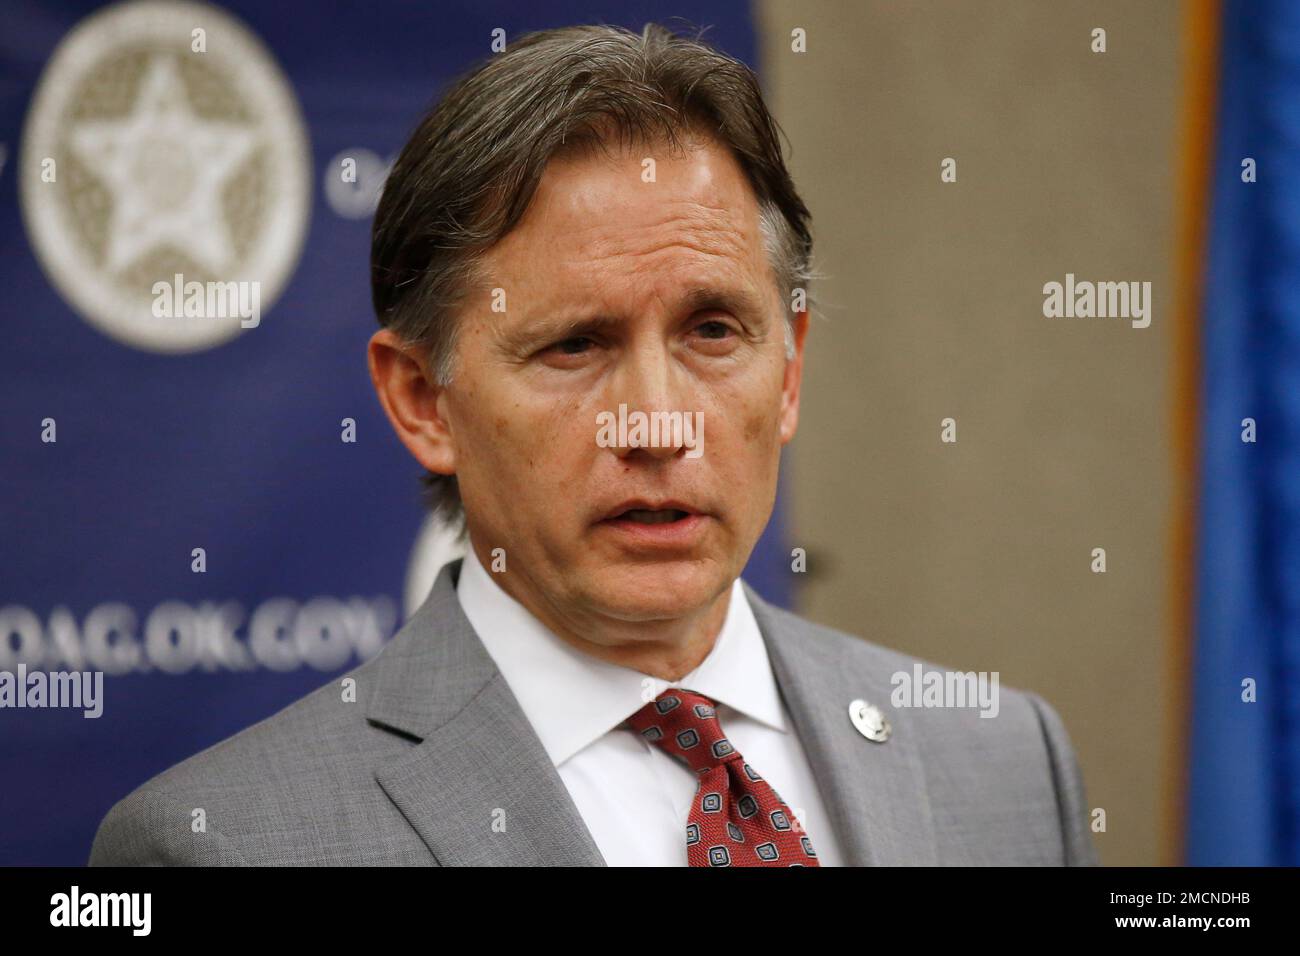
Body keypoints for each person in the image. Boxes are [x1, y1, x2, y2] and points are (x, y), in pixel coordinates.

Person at [90, 22, 1097, 867]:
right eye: (575, 344)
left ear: (787, 370)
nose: (656, 421)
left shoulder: (1002, 763)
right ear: (420, 400)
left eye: (712, 331)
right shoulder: (221, 844)